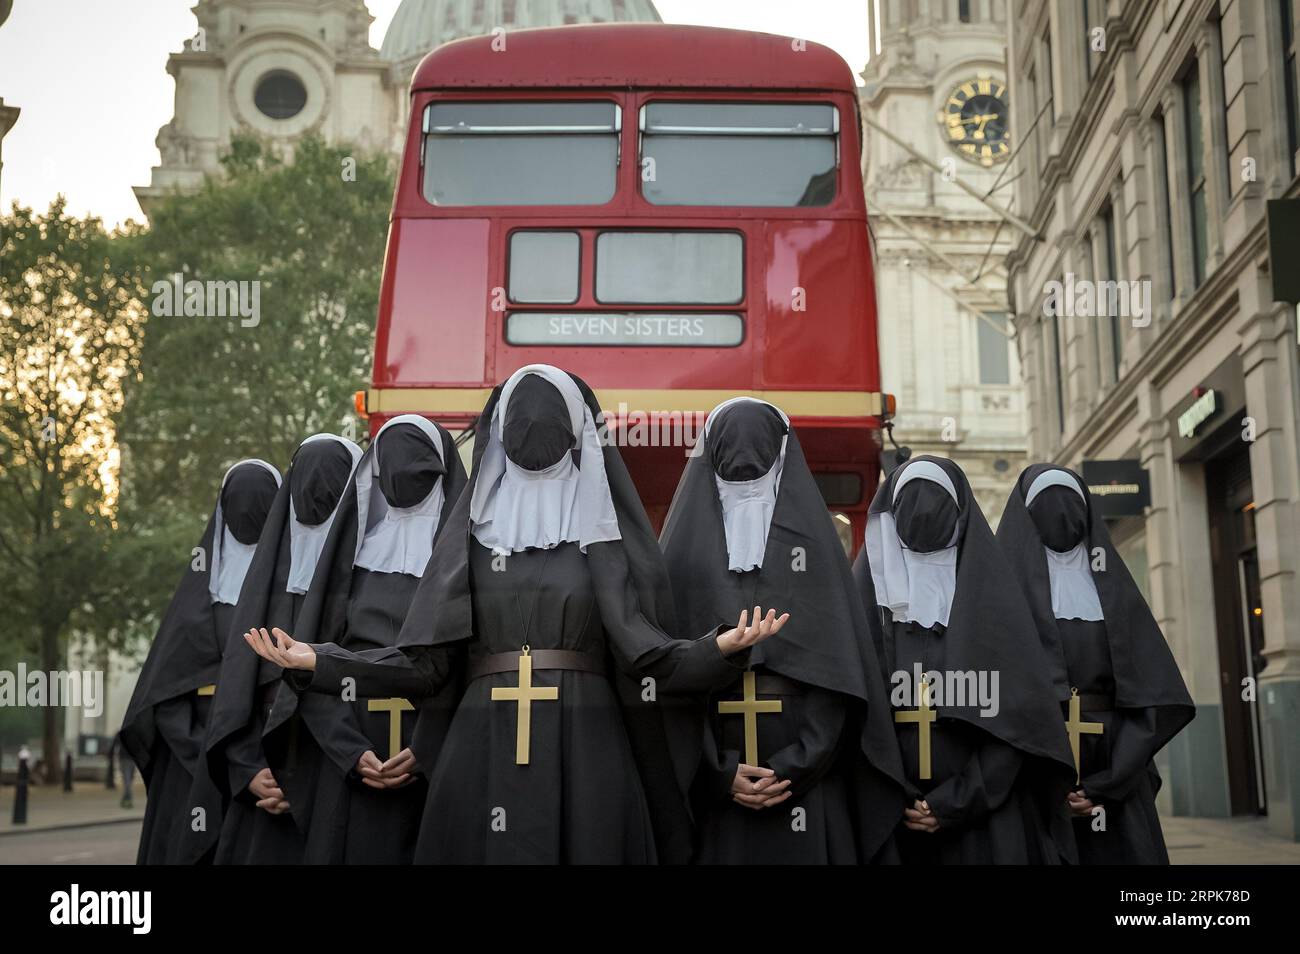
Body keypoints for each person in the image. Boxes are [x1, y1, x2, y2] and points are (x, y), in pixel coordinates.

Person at [248, 365, 789, 864]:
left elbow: (646, 656)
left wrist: (718, 649)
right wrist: (319, 660)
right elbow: (424, 665)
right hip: (481, 744)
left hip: (588, 745)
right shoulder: (471, 539)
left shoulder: (604, 539)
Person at [659, 397, 906, 863]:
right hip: (714, 789)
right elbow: (666, 678)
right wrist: (717, 771)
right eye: (735, 475)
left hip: (808, 783)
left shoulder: (816, 558)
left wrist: (797, 764)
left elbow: (841, 673)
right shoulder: (680, 560)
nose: (746, 487)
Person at [253, 415, 466, 864]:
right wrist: (350, 751)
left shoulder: (465, 559)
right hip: (350, 761)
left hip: (435, 761)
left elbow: (465, 664)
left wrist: (427, 747)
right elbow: (310, 666)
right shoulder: (352, 559)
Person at [853, 455, 1077, 864]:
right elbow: (851, 710)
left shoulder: (996, 608)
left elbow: (1018, 724)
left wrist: (956, 802)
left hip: (985, 819)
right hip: (888, 818)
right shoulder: (868, 605)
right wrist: (897, 795)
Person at [996, 464, 1194, 864]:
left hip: (1116, 767)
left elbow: (1150, 697)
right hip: (1031, 772)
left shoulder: (1113, 591)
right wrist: (1048, 783)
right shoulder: (1002, 598)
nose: (1061, 514)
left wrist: (1108, 782)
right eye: (1045, 505)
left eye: (1070, 503)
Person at [202, 434, 361, 864]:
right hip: (266, 785)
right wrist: (248, 769)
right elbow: (239, 689)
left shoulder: (371, 576)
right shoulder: (266, 586)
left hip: (338, 777)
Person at [121, 459, 280, 864]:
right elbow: (166, 697)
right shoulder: (291, 599)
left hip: (233, 768)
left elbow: (164, 697)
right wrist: (230, 766)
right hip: (212, 768)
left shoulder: (197, 601)